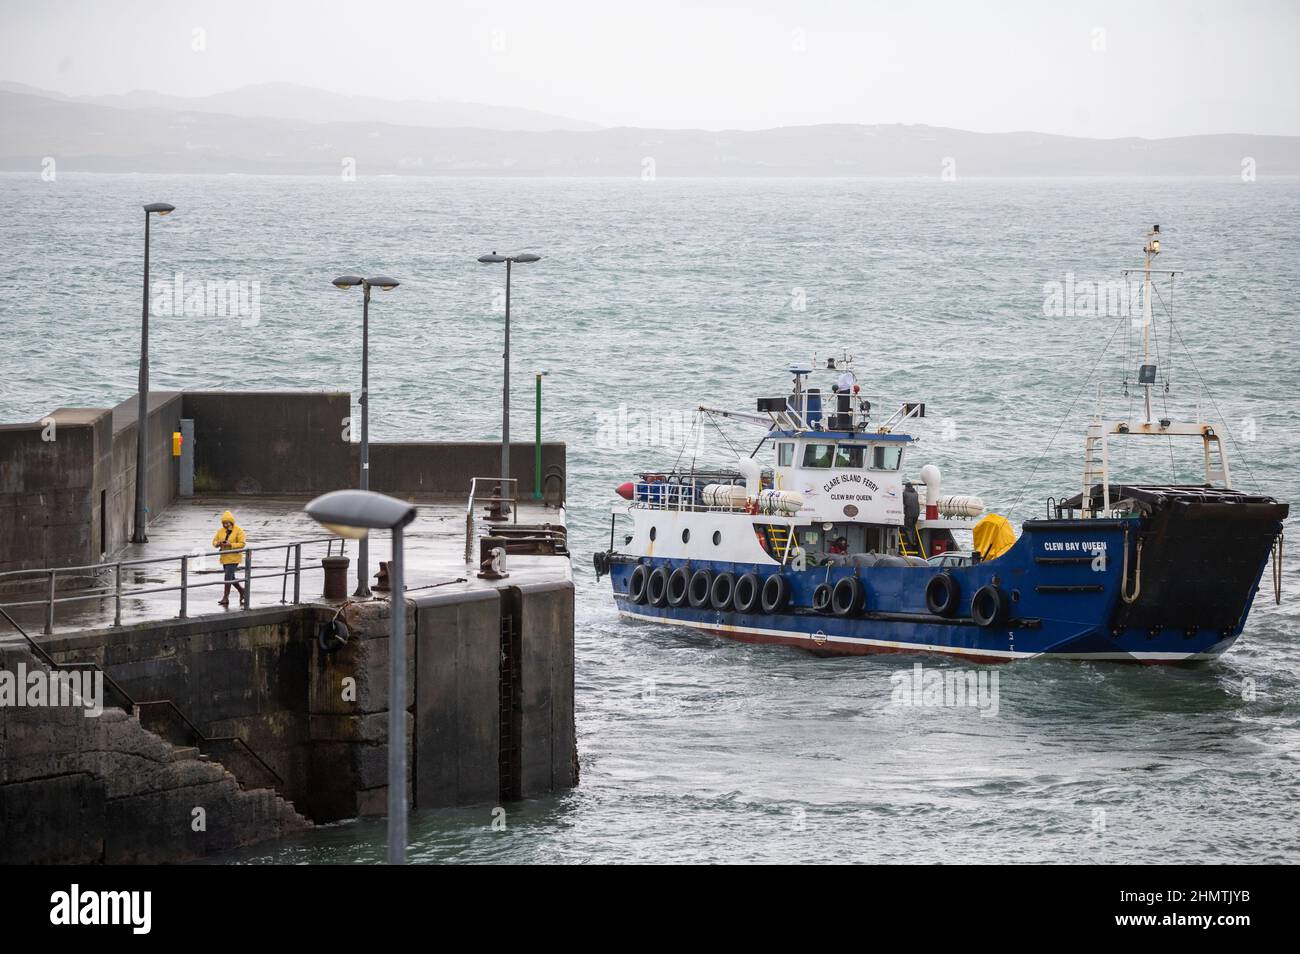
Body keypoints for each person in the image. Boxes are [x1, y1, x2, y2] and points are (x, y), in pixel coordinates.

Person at [212, 510, 247, 607]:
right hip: (224, 557)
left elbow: (242, 544)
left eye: (227, 523)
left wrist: (230, 544)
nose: (225, 525)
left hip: (234, 557)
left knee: (227, 577)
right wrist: (217, 543)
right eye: (224, 523)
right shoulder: (220, 531)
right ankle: (242, 591)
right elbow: (214, 541)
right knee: (231, 577)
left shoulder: (238, 530)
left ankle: (225, 597)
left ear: (231, 522)